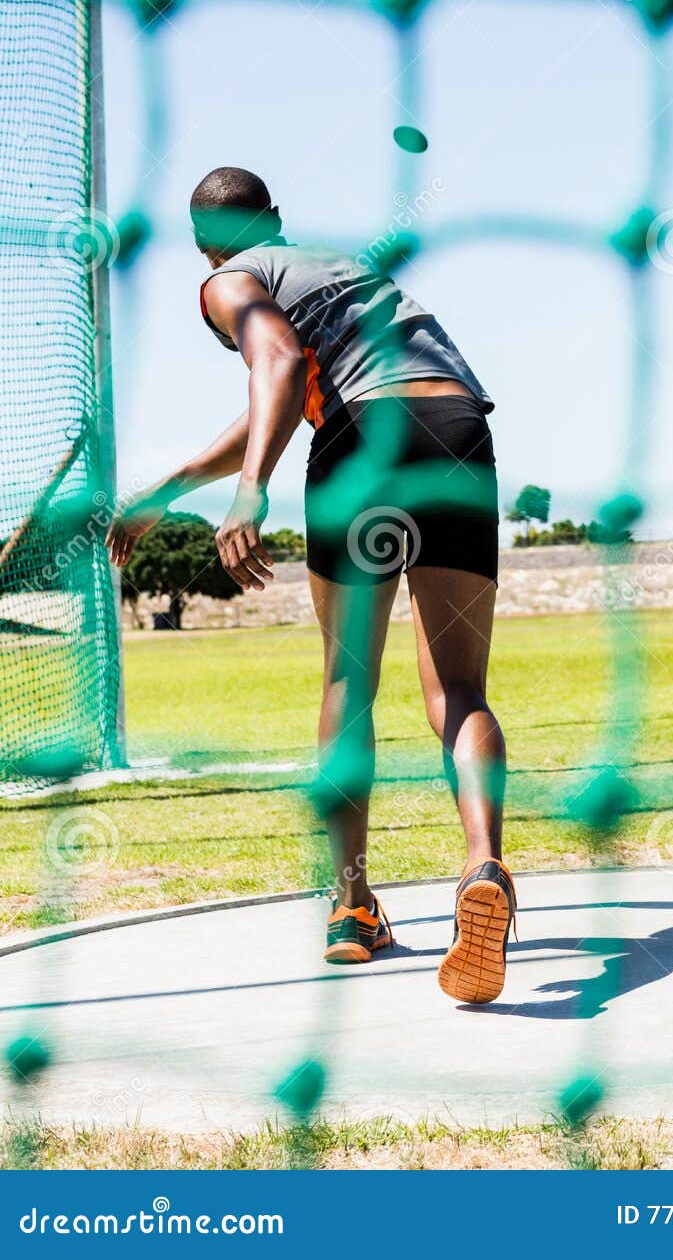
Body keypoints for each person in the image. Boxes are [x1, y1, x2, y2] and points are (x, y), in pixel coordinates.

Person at [106, 166, 515, 1003]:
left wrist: (251, 487)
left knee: (348, 683)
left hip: (363, 446)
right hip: (451, 429)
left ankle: (351, 905)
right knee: (461, 688)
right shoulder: (335, 265)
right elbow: (286, 392)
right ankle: (484, 865)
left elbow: (281, 366)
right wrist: (170, 485)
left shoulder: (225, 280)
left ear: (200, 244)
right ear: (276, 218)